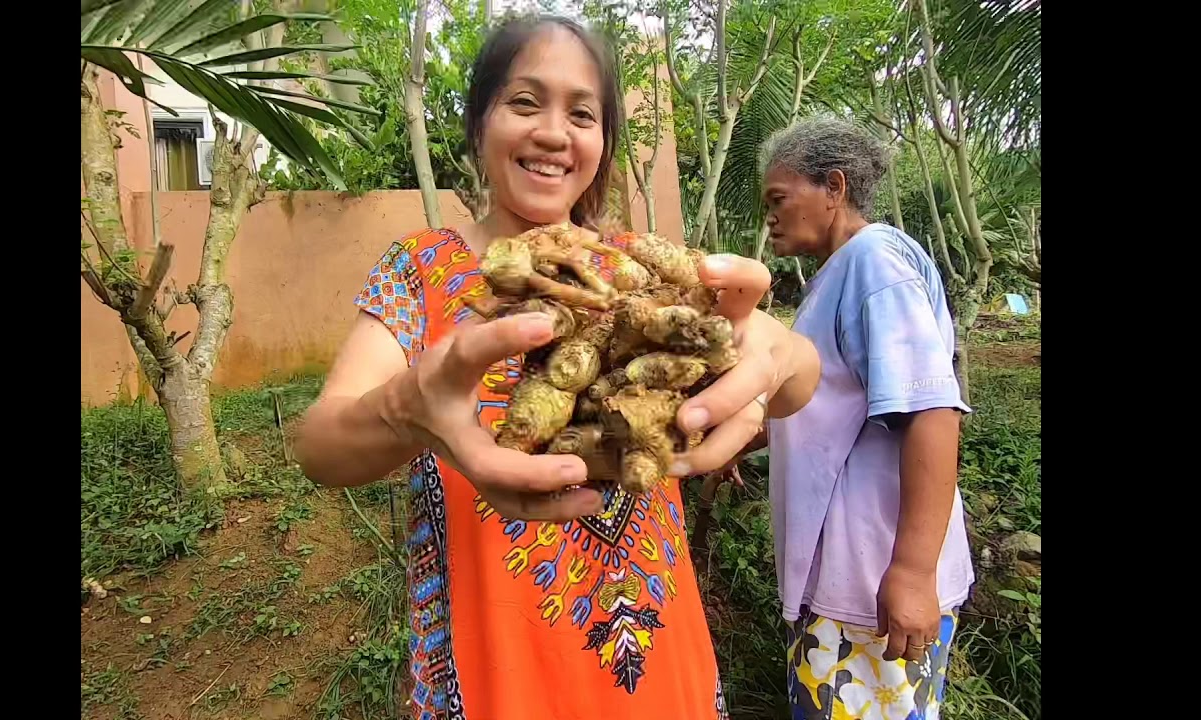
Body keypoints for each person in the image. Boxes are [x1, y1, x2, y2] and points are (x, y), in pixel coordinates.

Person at [295, 16, 820, 720]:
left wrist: (784, 356)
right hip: (489, 672)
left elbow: (790, 377)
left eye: (581, 113)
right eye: (523, 103)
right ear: (480, 123)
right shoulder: (418, 271)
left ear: (601, 144)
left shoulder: (645, 269)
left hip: (656, 662)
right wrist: (405, 406)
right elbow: (319, 447)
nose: (552, 132)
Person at [759, 116, 974, 720]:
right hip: (846, 580)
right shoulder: (840, 273)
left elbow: (931, 408)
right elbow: (832, 404)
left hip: (873, 583)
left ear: (834, 187)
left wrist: (911, 571)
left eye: (779, 199)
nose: (769, 216)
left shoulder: (874, 261)